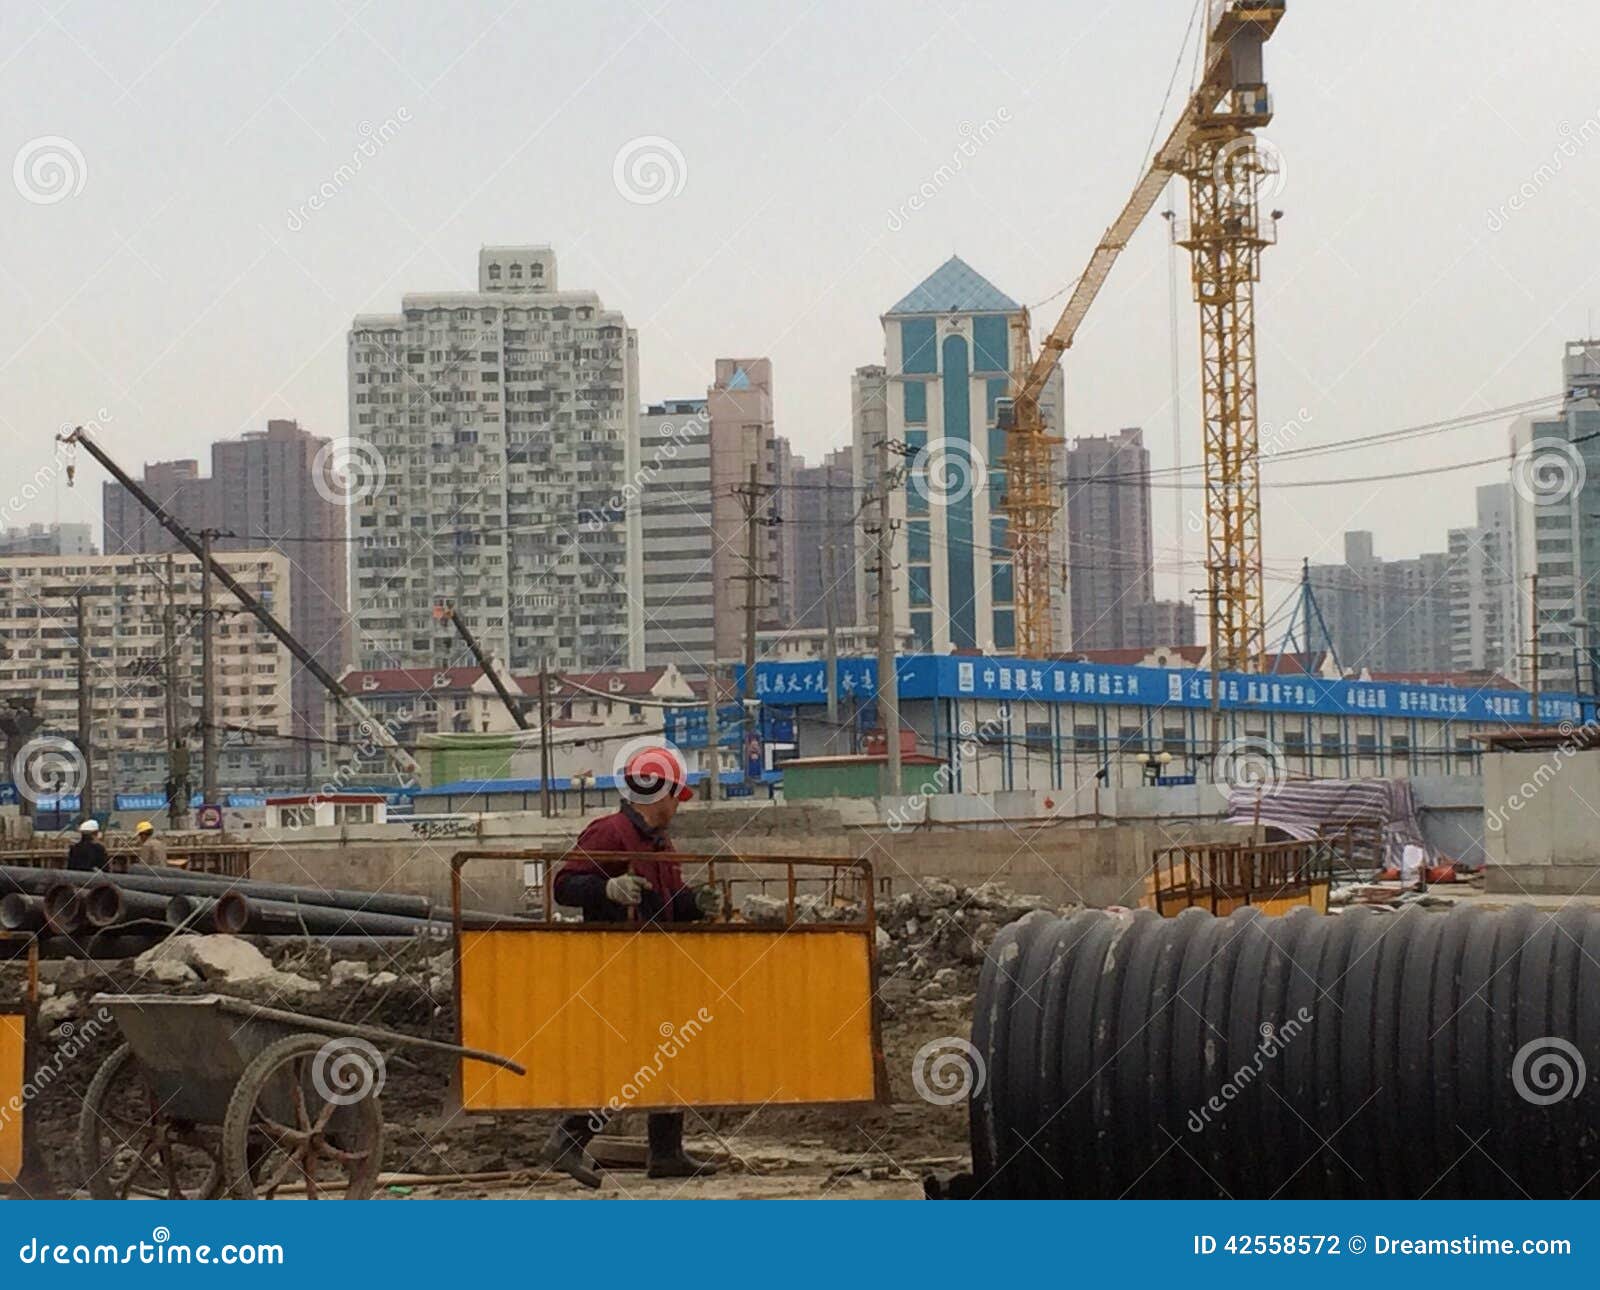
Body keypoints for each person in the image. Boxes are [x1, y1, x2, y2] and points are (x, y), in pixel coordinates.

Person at [538, 746, 722, 1189]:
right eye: (676, 796)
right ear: (657, 793)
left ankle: (665, 1153)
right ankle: (567, 1139)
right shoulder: (610, 833)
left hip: (658, 967)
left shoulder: (659, 844)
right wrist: (610, 887)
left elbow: (669, 903)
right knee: (623, 1061)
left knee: (669, 1053)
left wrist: (696, 903)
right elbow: (564, 885)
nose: (678, 806)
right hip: (617, 966)